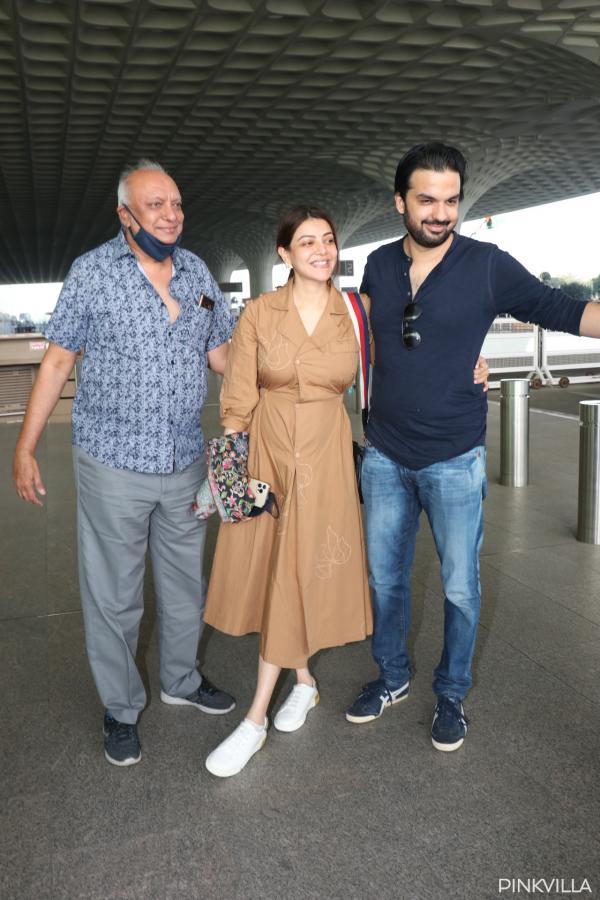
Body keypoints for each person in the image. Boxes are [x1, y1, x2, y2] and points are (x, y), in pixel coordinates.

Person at [201, 206, 489, 778]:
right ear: (283, 255)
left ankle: (260, 715)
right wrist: (235, 473)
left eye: (328, 240)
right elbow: (235, 400)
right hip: (271, 453)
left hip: (329, 455)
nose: (321, 250)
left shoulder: (357, 314)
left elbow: (412, 354)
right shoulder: (258, 313)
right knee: (280, 571)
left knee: (303, 569)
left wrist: (468, 362)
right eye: (306, 241)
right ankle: (294, 687)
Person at [345, 141, 600, 752]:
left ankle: (452, 694)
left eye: (451, 200)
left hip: (455, 459)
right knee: (385, 580)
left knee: (460, 585)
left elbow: (563, 310)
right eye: (427, 199)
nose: (440, 213)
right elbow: (357, 341)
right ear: (399, 201)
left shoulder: (487, 264)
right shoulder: (378, 266)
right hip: (383, 454)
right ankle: (393, 677)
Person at [12, 160, 236, 767]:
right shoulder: (92, 274)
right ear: (125, 214)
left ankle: (182, 681)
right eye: (156, 205)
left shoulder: (195, 273)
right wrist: (25, 446)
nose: (171, 215)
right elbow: (57, 363)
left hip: (185, 459)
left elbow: (223, 358)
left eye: (177, 204)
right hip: (113, 460)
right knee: (114, 593)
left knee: (186, 583)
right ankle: (120, 707)